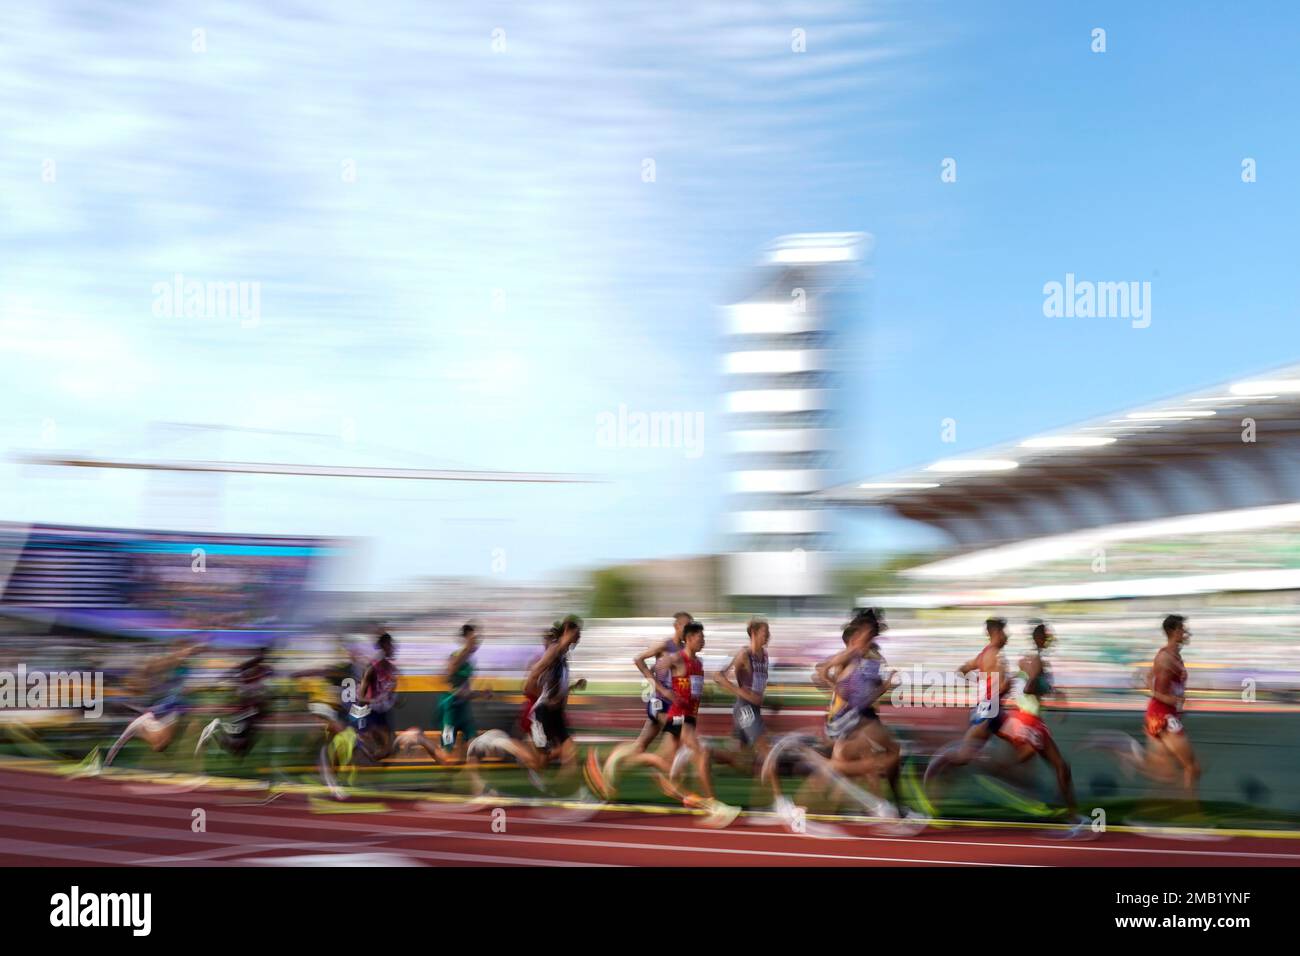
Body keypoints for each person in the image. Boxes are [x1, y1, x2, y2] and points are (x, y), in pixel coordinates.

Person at [586, 621, 739, 827]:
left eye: (704, 637)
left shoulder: (699, 663)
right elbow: (643, 663)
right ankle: (714, 806)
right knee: (700, 753)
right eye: (701, 637)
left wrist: (704, 694)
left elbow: (693, 687)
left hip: (690, 716)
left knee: (667, 766)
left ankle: (613, 762)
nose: (704, 640)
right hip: (678, 716)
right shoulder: (675, 658)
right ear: (689, 638)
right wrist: (662, 690)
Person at [1000, 622, 1087, 831]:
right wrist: (1048, 689)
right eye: (1048, 636)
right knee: (1057, 766)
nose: (1050, 640)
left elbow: (1020, 684)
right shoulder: (1036, 660)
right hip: (1029, 720)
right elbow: (1030, 687)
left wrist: (1050, 692)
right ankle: (1071, 815)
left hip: (1028, 719)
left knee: (1048, 765)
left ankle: (1068, 812)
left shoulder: (1033, 660)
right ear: (1039, 639)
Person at [924, 617, 1014, 785]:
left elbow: (962, 670)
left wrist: (980, 682)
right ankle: (935, 768)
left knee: (1016, 744)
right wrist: (1007, 685)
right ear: (995, 633)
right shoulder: (994, 655)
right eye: (1004, 631)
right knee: (964, 756)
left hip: (990, 707)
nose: (1007, 635)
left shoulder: (984, 655)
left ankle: (1011, 778)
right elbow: (1001, 688)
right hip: (988, 707)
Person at [99, 638, 206, 769]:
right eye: (184, 650)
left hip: (167, 707)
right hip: (162, 707)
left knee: (170, 731)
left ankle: (109, 760)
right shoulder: (164, 667)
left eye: (187, 651)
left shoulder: (182, 668)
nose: (186, 653)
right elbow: (150, 678)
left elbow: (177, 685)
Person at [711, 618, 774, 777]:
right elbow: (718, 676)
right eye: (765, 633)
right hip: (745, 708)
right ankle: (777, 793)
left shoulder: (764, 655)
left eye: (768, 633)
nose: (768, 636)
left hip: (754, 708)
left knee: (740, 758)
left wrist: (764, 699)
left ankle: (704, 753)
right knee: (765, 748)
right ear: (753, 633)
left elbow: (759, 684)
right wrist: (743, 693)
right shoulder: (744, 654)